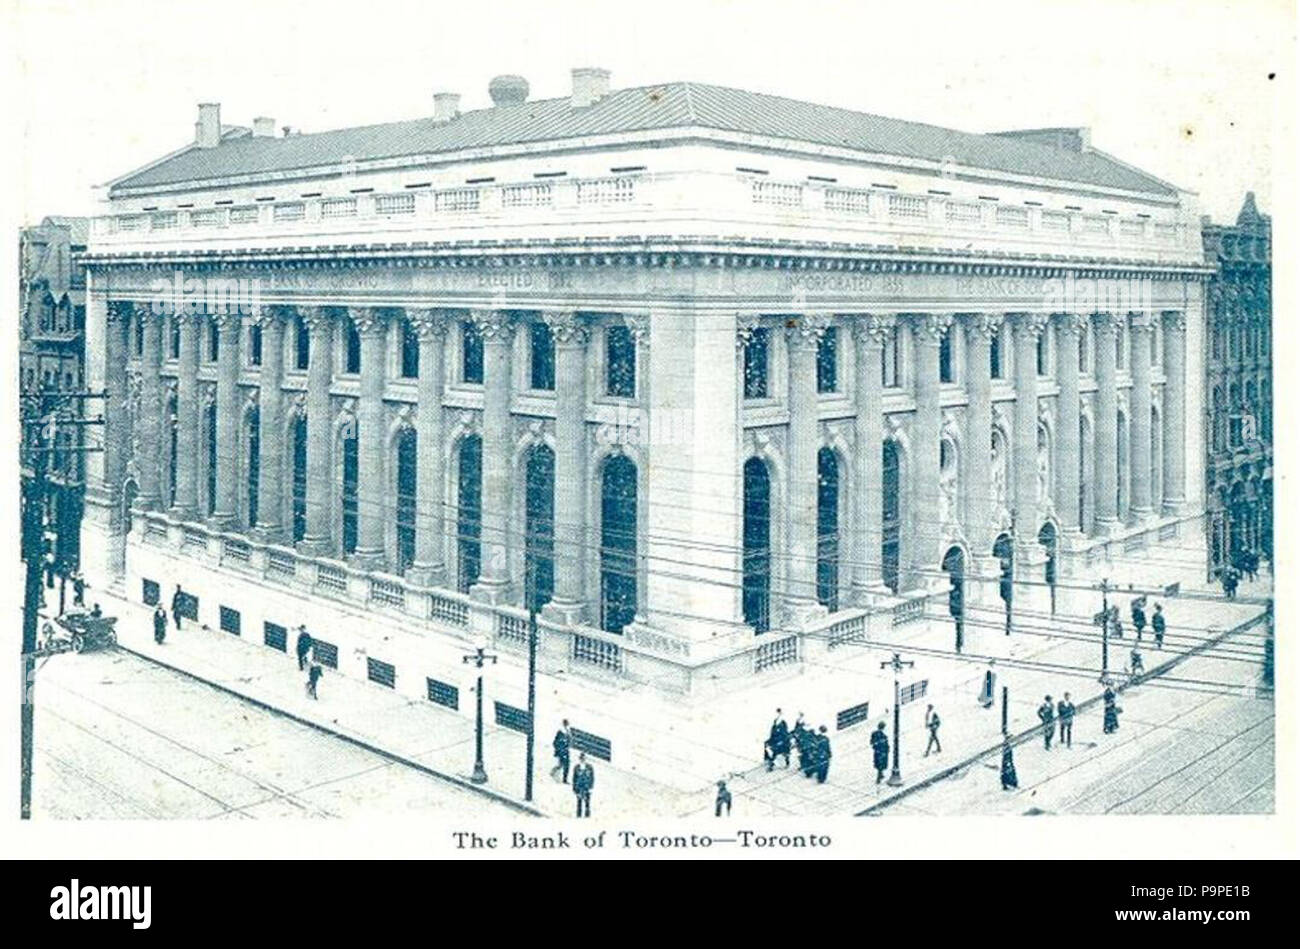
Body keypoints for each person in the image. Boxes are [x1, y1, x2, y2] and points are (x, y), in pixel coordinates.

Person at [572, 753, 595, 817]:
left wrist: (591, 787)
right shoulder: (576, 767)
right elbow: (574, 778)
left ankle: (587, 815)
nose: (582, 760)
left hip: (587, 786)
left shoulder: (589, 767)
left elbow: (592, 777)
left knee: (587, 802)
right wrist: (574, 788)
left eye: (584, 758)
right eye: (581, 758)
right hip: (579, 786)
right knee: (579, 802)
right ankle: (578, 815)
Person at [552, 719, 572, 784]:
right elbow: (555, 742)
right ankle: (554, 773)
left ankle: (564, 779)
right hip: (562, 751)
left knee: (566, 765)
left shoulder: (568, 731)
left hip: (566, 751)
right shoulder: (561, 732)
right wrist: (558, 750)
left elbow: (569, 741)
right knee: (562, 765)